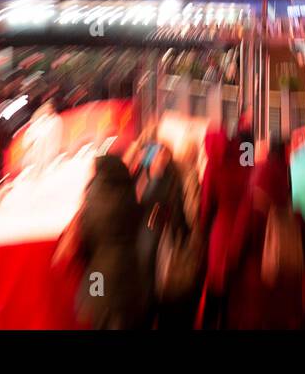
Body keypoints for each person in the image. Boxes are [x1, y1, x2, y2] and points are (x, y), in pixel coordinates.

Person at [224, 139, 305, 329]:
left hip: (257, 284)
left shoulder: (255, 198)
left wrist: (229, 267)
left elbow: (239, 242)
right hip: (289, 286)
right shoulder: (298, 198)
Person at [58, 154, 148, 329]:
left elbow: (84, 244)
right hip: (130, 272)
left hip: (97, 274)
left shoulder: (92, 204)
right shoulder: (131, 199)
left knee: (99, 315)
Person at [141, 144, 202, 328]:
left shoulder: (160, 179)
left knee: (172, 302)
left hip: (171, 251)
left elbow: (189, 214)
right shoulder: (156, 177)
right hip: (172, 252)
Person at [199, 126, 253, 328]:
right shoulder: (243, 155)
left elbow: (206, 206)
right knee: (237, 289)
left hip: (221, 231)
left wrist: (204, 227)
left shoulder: (212, 166)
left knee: (216, 285)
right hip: (243, 227)